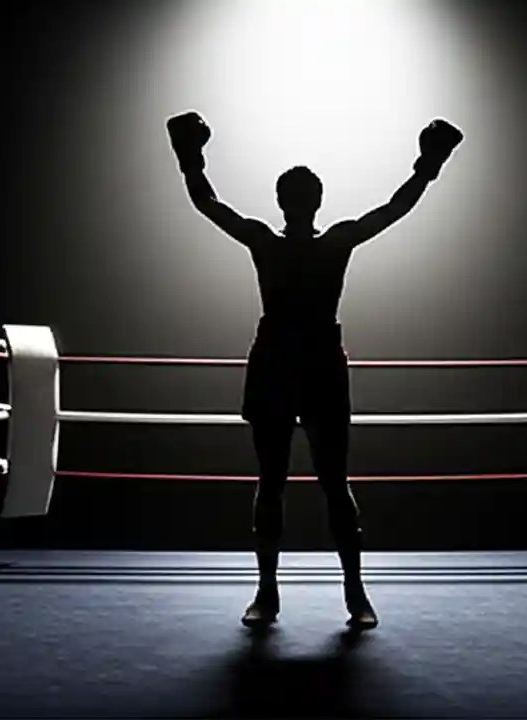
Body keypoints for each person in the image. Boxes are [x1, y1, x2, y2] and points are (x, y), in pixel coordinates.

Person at [166, 111, 463, 629]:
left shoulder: (296, 242)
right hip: (301, 362)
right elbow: (395, 209)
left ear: (290, 201)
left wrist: (190, 157)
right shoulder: (318, 242)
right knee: (306, 482)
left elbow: (206, 203)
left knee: (298, 482)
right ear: (305, 201)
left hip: (298, 362)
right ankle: (319, 595)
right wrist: (428, 164)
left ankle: (317, 595)